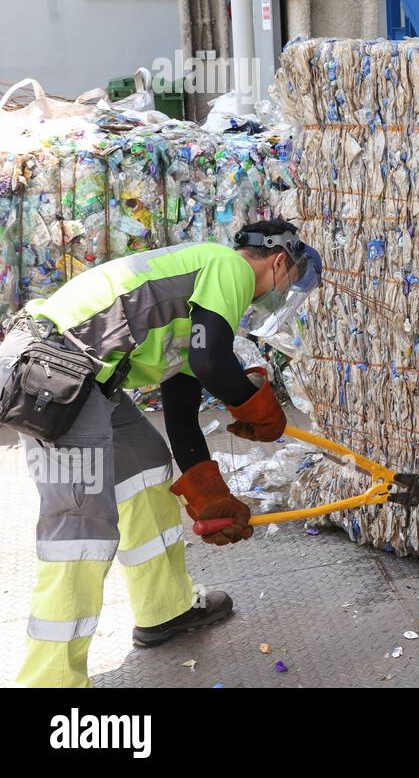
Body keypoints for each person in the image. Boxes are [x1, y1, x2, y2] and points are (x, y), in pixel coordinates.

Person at [0, 218, 321, 687]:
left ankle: (164, 610)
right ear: (278, 261)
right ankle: (50, 682)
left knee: (147, 465)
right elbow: (212, 362)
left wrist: (204, 486)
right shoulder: (228, 268)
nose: (279, 296)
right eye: (289, 282)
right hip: (55, 375)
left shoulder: (198, 306)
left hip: (87, 379)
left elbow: (182, 406)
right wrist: (252, 402)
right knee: (80, 530)